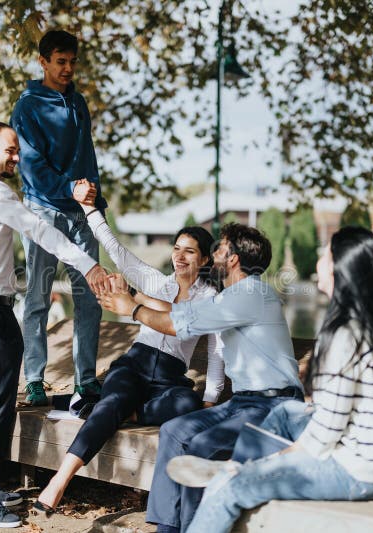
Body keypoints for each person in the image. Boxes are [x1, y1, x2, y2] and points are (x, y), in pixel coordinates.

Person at [168, 226, 373, 533]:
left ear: (341, 267)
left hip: (359, 471)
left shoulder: (344, 334)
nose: (318, 262)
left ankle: (235, 473)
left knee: (231, 488)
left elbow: (325, 435)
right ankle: (235, 468)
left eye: (326, 255)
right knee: (285, 412)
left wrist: (271, 464)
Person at [0, 121, 107, 528]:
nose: (17, 157)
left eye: (17, 152)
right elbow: (43, 232)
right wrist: (88, 263)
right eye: (10, 151)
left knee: (0, 397)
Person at [99, 223, 303, 533]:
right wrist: (132, 297)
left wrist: (133, 309)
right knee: (173, 431)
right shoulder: (230, 297)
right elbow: (180, 313)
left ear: (232, 259)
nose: (214, 254)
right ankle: (167, 529)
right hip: (244, 403)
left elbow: (180, 325)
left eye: (219, 249)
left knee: (200, 446)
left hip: (275, 406)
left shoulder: (250, 293)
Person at [32, 202, 225, 514]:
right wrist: (89, 208)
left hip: (169, 378)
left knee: (187, 404)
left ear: (203, 259)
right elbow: (115, 249)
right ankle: (59, 481)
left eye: (189, 251)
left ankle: (121, 410)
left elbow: (217, 352)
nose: (179, 256)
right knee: (110, 405)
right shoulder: (157, 281)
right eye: (176, 248)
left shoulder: (211, 300)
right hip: (135, 363)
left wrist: (211, 398)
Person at [10, 30, 106, 406]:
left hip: (81, 211)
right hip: (42, 213)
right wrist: (70, 190)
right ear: (44, 62)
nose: (67, 68)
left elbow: (87, 154)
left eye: (72, 61)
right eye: (60, 61)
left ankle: (87, 380)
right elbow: (31, 168)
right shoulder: (27, 107)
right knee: (37, 296)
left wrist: (94, 197)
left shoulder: (78, 101)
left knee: (91, 297)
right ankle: (34, 378)